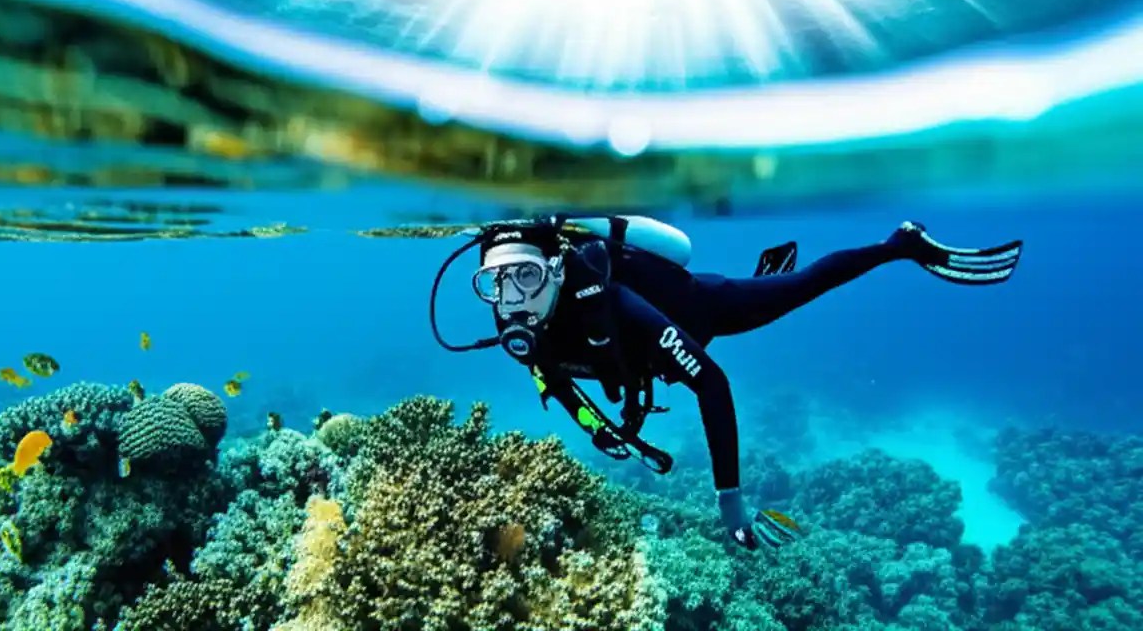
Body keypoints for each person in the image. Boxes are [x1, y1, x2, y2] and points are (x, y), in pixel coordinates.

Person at [428, 213, 1023, 551]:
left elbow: (711, 384)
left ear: (557, 270)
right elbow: (553, 383)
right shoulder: (518, 325)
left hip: (699, 313)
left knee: (799, 288)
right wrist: (598, 428)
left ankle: (902, 243)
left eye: (526, 277)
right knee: (782, 286)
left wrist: (730, 503)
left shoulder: (612, 303)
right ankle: (773, 270)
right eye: (495, 284)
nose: (512, 301)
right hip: (639, 361)